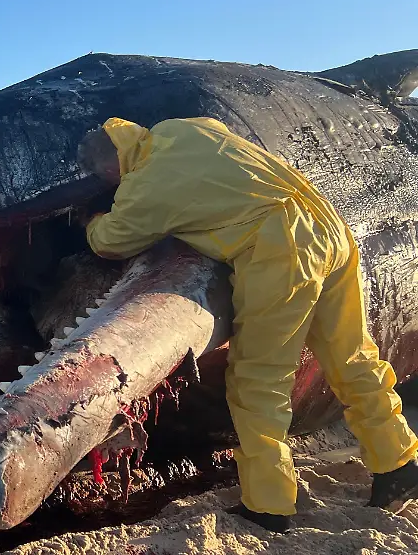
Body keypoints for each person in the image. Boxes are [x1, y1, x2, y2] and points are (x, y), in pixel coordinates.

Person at [75, 116, 418, 534]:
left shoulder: (144, 186)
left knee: (258, 381)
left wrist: (90, 220)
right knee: (352, 357)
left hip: (281, 249)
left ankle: (269, 504)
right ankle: (398, 461)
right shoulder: (181, 128)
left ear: (110, 169)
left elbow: (111, 241)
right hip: (327, 224)